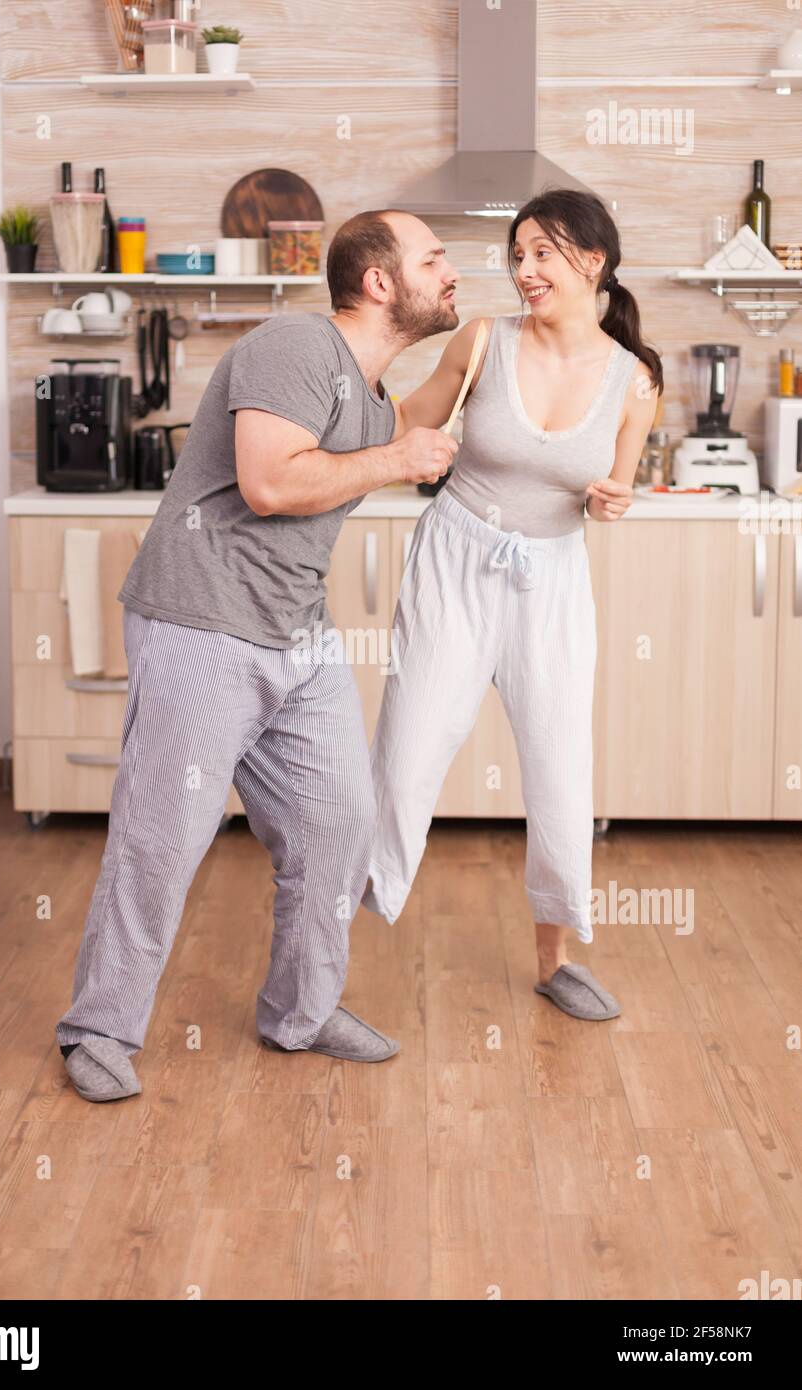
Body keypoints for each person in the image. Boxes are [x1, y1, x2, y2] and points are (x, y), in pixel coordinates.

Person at [55, 210, 460, 1101]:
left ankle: (301, 1014)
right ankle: (99, 1029)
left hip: (297, 637)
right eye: (435, 258)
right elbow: (272, 481)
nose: (452, 271)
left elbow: (399, 433)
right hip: (202, 622)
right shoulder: (295, 345)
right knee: (163, 837)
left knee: (338, 823)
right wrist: (399, 459)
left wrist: (470, 376)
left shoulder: (372, 395)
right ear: (380, 282)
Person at [362, 189, 662, 1022]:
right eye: (518, 254)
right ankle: (339, 918)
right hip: (455, 558)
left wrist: (609, 504)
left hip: (552, 580)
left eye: (543, 254)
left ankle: (555, 959)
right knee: (409, 747)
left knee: (561, 767)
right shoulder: (484, 339)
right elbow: (411, 420)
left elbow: (616, 490)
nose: (523, 271)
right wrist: (337, 437)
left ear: (592, 262)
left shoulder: (635, 383)